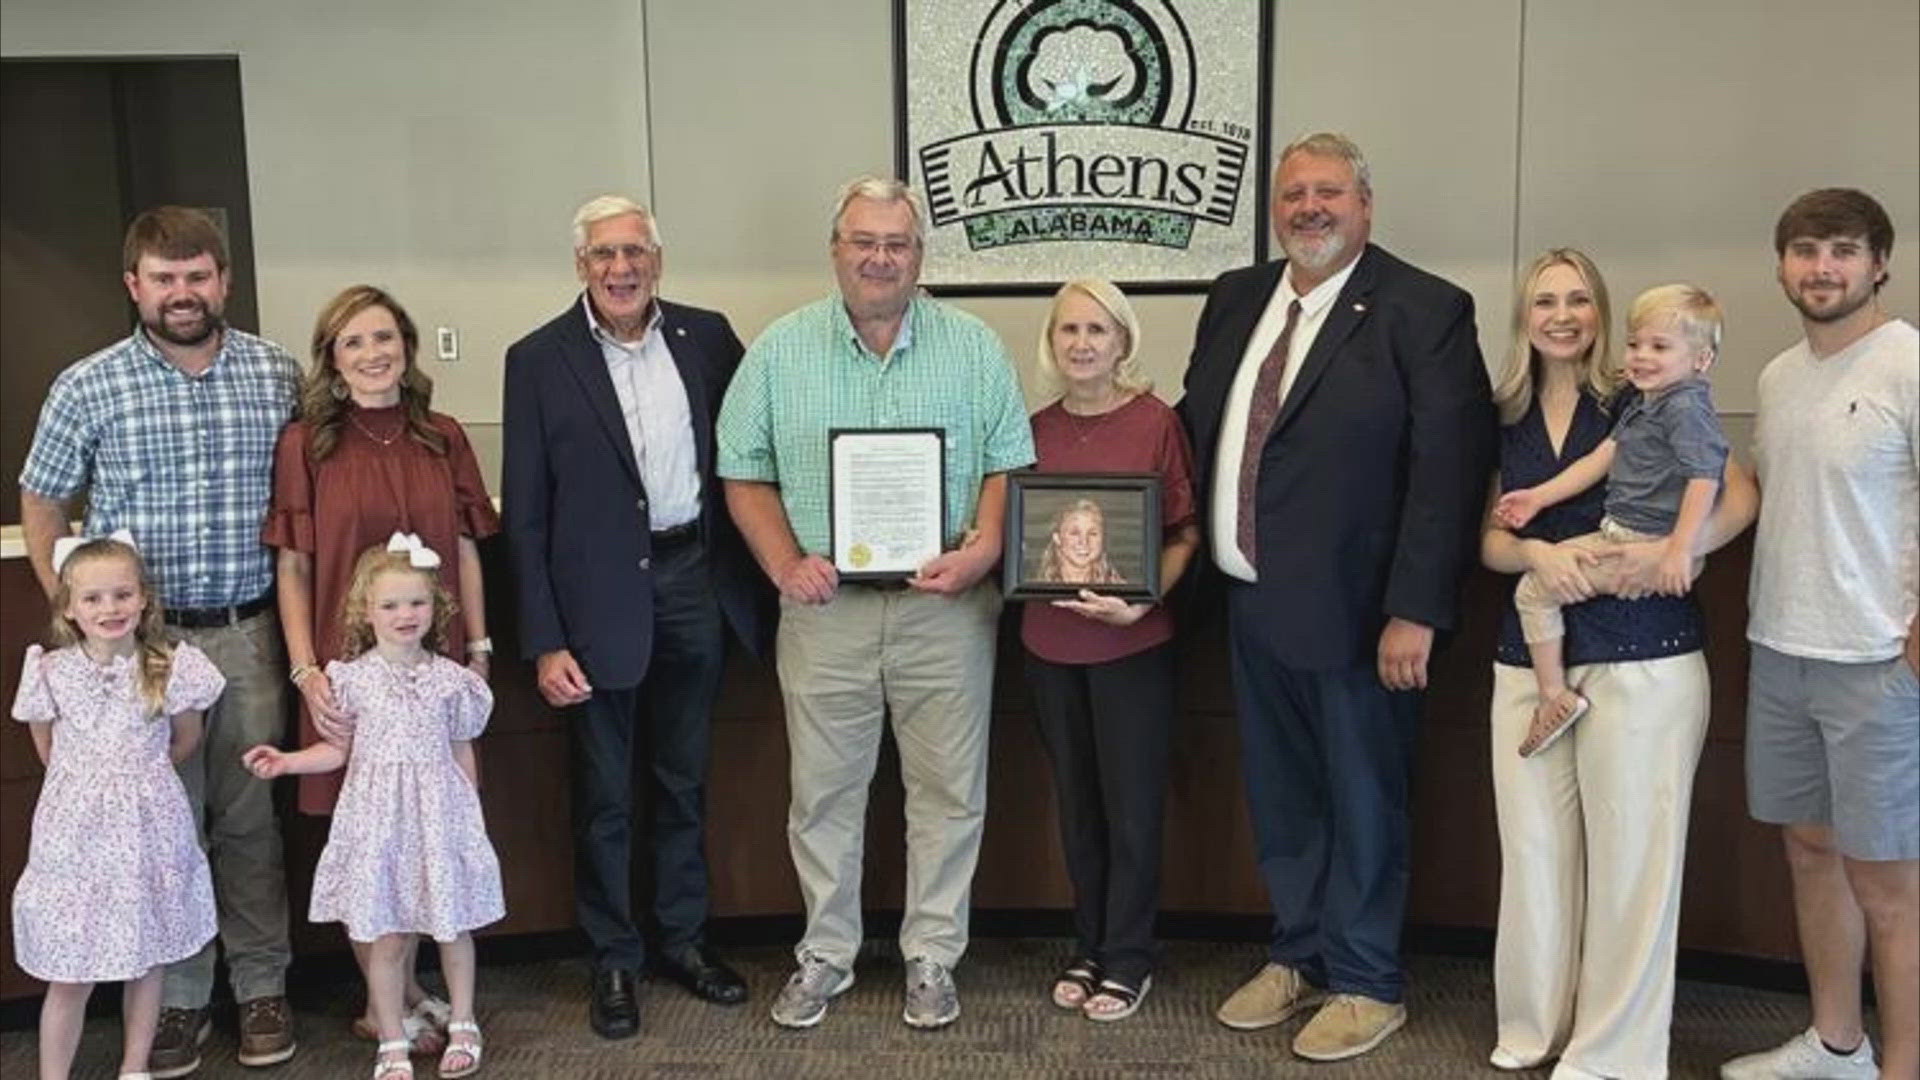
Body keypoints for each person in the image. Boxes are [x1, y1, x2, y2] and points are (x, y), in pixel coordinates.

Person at [1179, 132, 1494, 1061]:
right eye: (1292, 195)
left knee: (1364, 797)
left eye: (1328, 193)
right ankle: (1301, 953)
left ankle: (1366, 978)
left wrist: (1418, 608)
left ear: (1366, 204)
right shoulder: (1237, 298)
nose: (1308, 209)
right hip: (1247, 599)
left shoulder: (1424, 308)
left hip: (1363, 617)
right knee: (1283, 798)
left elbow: (1448, 470)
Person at [718, 175, 1034, 1030]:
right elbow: (742, 471)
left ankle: (933, 954)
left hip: (947, 608)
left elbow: (1010, 460)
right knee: (823, 794)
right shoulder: (780, 352)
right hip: (826, 614)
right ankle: (825, 955)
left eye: (896, 243)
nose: (880, 257)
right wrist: (785, 563)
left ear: (919, 255)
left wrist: (986, 549)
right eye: (863, 241)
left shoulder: (972, 348)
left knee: (948, 792)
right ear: (836, 251)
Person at [18, 206, 301, 1076]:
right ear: (134, 285)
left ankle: (261, 987)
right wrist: (76, 619)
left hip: (244, 634)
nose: (183, 293)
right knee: (159, 832)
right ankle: (180, 1002)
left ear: (224, 279)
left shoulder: (275, 373)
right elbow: (43, 497)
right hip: (138, 651)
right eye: (164, 278)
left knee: (249, 820)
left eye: (198, 276)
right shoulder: (86, 383)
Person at [1481, 250, 1756, 1078]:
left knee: (1633, 864)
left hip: (1645, 657)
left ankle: (1614, 1056)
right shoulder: (1498, 416)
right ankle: (1533, 1029)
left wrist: (1676, 552)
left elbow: (1737, 491)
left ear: (1603, 314)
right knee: (1532, 858)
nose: (1561, 315)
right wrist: (1534, 553)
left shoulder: (1644, 394)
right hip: (1532, 668)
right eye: (1543, 301)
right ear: (1523, 316)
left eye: (1577, 300)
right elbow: (1488, 540)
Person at [502, 195, 768, 1039]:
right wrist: (543, 639)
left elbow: (752, 455)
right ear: (580, 264)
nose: (622, 269)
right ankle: (614, 958)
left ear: (658, 259)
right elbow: (529, 515)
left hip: (695, 578)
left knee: (683, 784)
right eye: (604, 255)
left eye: (636, 253)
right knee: (606, 797)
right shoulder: (538, 359)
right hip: (595, 608)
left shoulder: (711, 335)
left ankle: (683, 942)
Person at [264, 284, 500, 1054]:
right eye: (353, 343)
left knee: (431, 832)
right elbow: (295, 566)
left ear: (406, 345)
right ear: (332, 363)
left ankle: (407, 996)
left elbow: (465, 550)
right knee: (369, 845)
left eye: (384, 337)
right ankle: (389, 1004)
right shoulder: (307, 443)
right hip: (345, 679)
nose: (373, 354)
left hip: (430, 676)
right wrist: (307, 671)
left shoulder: (443, 436)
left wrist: (480, 650)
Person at [1722, 189, 1917, 1080]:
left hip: (1877, 664)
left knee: (1890, 887)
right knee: (1809, 853)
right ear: (1782, 267)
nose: (1822, 268)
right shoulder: (1777, 376)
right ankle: (1839, 1042)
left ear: (1878, 263)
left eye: (1843, 250)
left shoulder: (1907, 363)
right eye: (1805, 251)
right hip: (1783, 651)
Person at [242, 538, 501, 1080]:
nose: (405, 615)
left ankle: (464, 1021)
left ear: (436, 609)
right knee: (386, 934)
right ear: (365, 611)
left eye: (416, 604)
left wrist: (469, 826)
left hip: (437, 821)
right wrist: (286, 762)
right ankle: (390, 1039)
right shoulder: (349, 679)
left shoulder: (454, 683)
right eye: (390, 605)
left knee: (452, 928)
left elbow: (461, 754)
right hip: (379, 825)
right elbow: (336, 751)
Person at [1022, 279, 1199, 1022]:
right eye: (1069, 330)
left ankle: (1129, 957)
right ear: (1052, 342)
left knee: (1131, 809)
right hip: (1048, 645)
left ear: (1123, 341)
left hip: (1133, 646)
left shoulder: (1155, 422)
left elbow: (1184, 533)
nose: (1084, 343)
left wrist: (1143, 598)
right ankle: (1088, 945)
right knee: (1078, 807)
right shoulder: (1029, 427)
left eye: (1099, 329)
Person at [12, 534, 226, 1080]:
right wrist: (92, 785)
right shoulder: (50, 672)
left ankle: (135, 1067)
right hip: (76, 837)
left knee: (146, 953)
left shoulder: (170, 666)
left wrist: (138, 778)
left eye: (122, 594)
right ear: (69, 607)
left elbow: (185, 741)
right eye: (93, 598)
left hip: (148, 826)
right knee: (71, 966)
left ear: (144, 599)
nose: (110, 608)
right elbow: (48, 751)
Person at [1495, 284, 1730, 756]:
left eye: (1660, 347)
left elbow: (1710, 475)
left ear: (1701, 360)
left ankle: (1551, 698)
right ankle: (1553, 691)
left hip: (1647, 545)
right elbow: (1601, 457)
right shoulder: (1646, 403)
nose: (1642, 357)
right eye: (1636, 344)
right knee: (1545, 573)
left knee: (1532, 591)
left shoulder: (1684, 407)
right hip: (1618, 533)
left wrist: (1679, 548)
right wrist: (1536, 499)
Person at [1036, 498, 1125, 585]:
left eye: (1092, 533)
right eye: (1074, 533)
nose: (1084, 542)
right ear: (1057, 538)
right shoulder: (1035, 591)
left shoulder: (1120, 590)